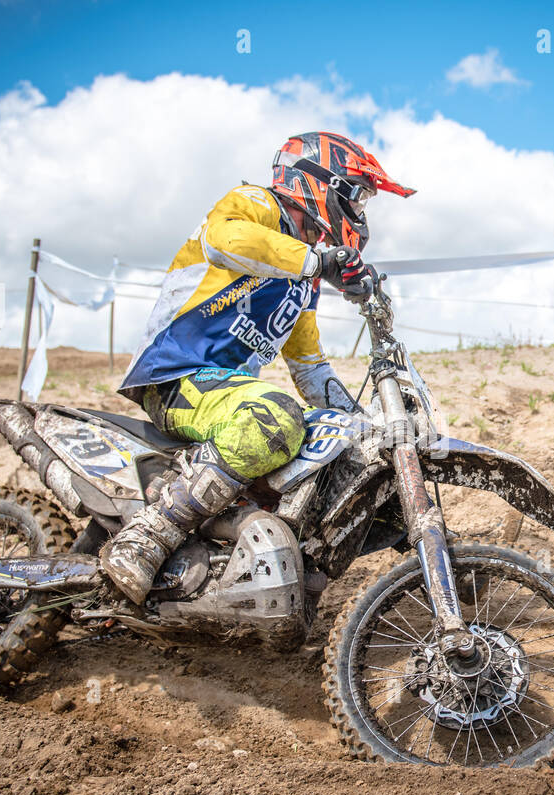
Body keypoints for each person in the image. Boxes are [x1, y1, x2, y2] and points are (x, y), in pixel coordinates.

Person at [102, 132, 415, 604]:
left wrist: (366, 427)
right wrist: (318, 261)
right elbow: (222, 238)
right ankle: (149, 534)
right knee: (273, 418)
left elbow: (310, 370)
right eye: (358, 197)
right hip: (178, 376)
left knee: (356, 451)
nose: (361, 214)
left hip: (224, 391)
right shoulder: (257, 204)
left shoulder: (302, 283)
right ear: (319, 184)